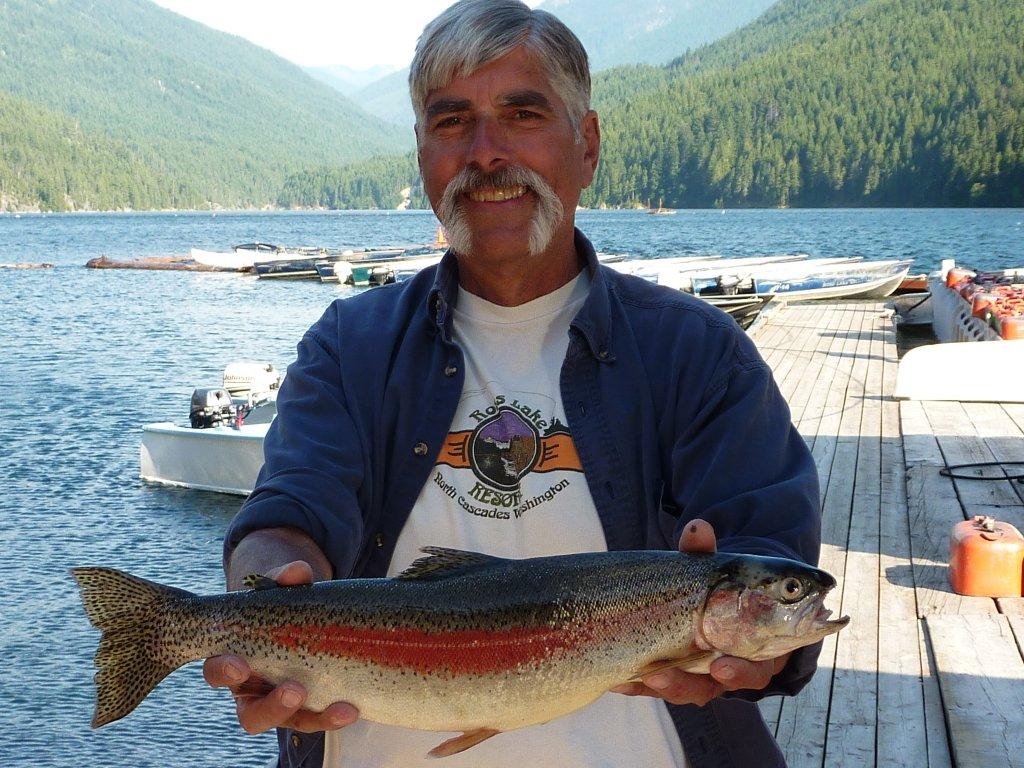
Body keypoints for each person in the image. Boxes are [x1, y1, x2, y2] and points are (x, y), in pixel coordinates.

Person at [204, 1, 822, 766]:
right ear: (423, 152)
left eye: (523, 114)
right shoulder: (347, 347)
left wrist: (756, 650)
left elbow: (768, 543)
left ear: (587, 145)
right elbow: (289, 515)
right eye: (452, 120)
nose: (487, 152)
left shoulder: (700, 353)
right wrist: (264, 581)